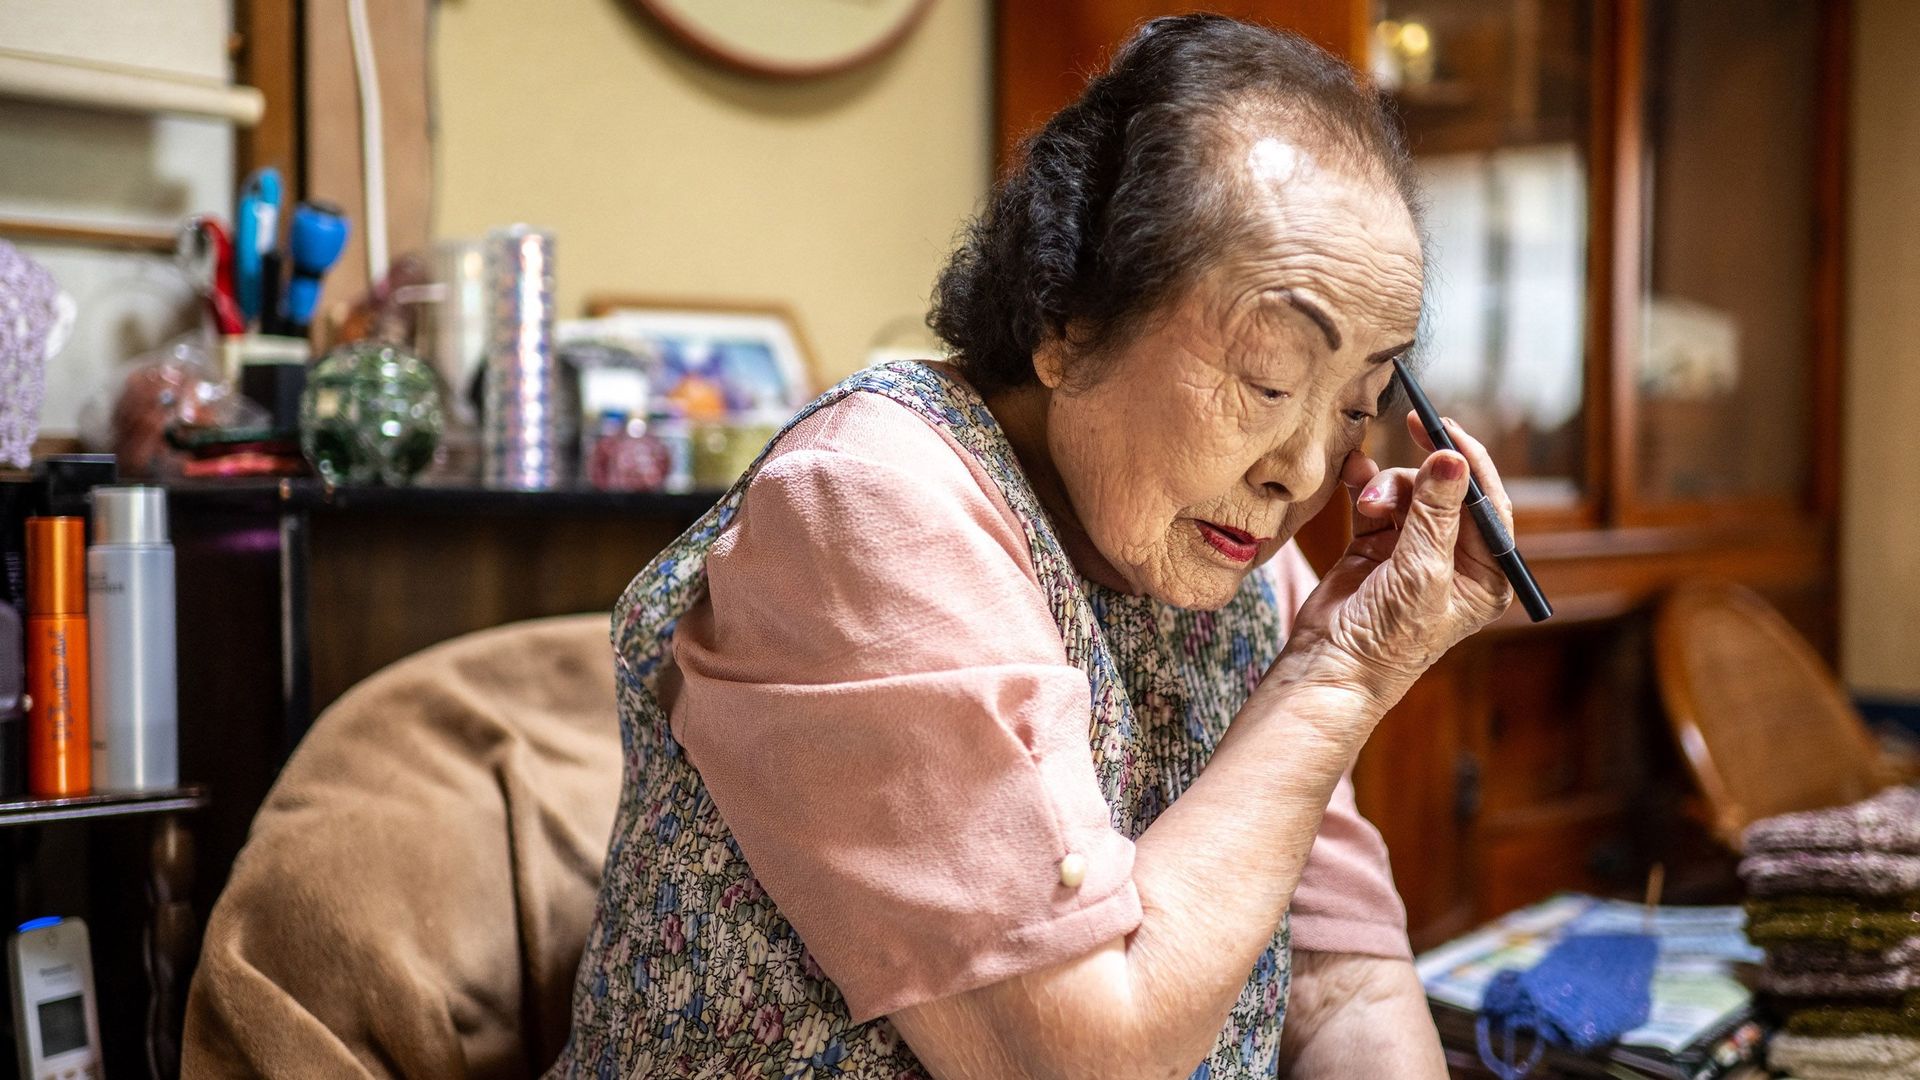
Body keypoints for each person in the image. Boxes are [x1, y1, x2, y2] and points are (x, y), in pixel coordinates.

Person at [554, 14, 1512, 1079]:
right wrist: (1335, 679)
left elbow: (1346, 988)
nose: (1300, 471)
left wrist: (1327, 663)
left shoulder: (1244, 567)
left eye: (1357, 404)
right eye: (1269, 380)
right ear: (1067, 321)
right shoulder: (870, 504)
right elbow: (1090, 1058)